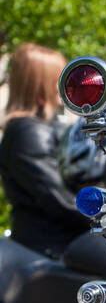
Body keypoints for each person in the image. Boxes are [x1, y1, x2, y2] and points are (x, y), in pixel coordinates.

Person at [0, 43, 90, 258]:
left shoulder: (40, 126)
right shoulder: (27, 130)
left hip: (57, 247)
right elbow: (59, 200)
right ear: (42, 84)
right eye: (60, 78)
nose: (69, 84)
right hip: (50, 253)